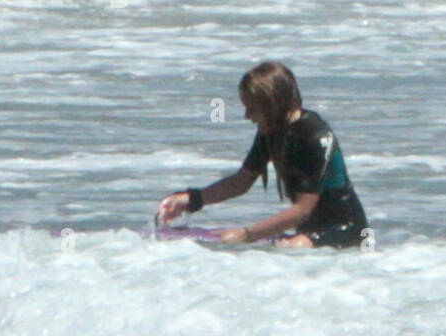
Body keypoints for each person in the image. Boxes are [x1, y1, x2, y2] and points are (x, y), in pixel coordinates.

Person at [156, 61, 368, 248]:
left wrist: (246, 234)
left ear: (273, 105)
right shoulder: (271, 131)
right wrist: (191, 199)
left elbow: (302, 209)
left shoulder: (315, 136)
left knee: (292, 248)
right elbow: (241, 182)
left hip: (346, 230)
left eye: (252, 108)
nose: (247, 116)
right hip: (308, 230)